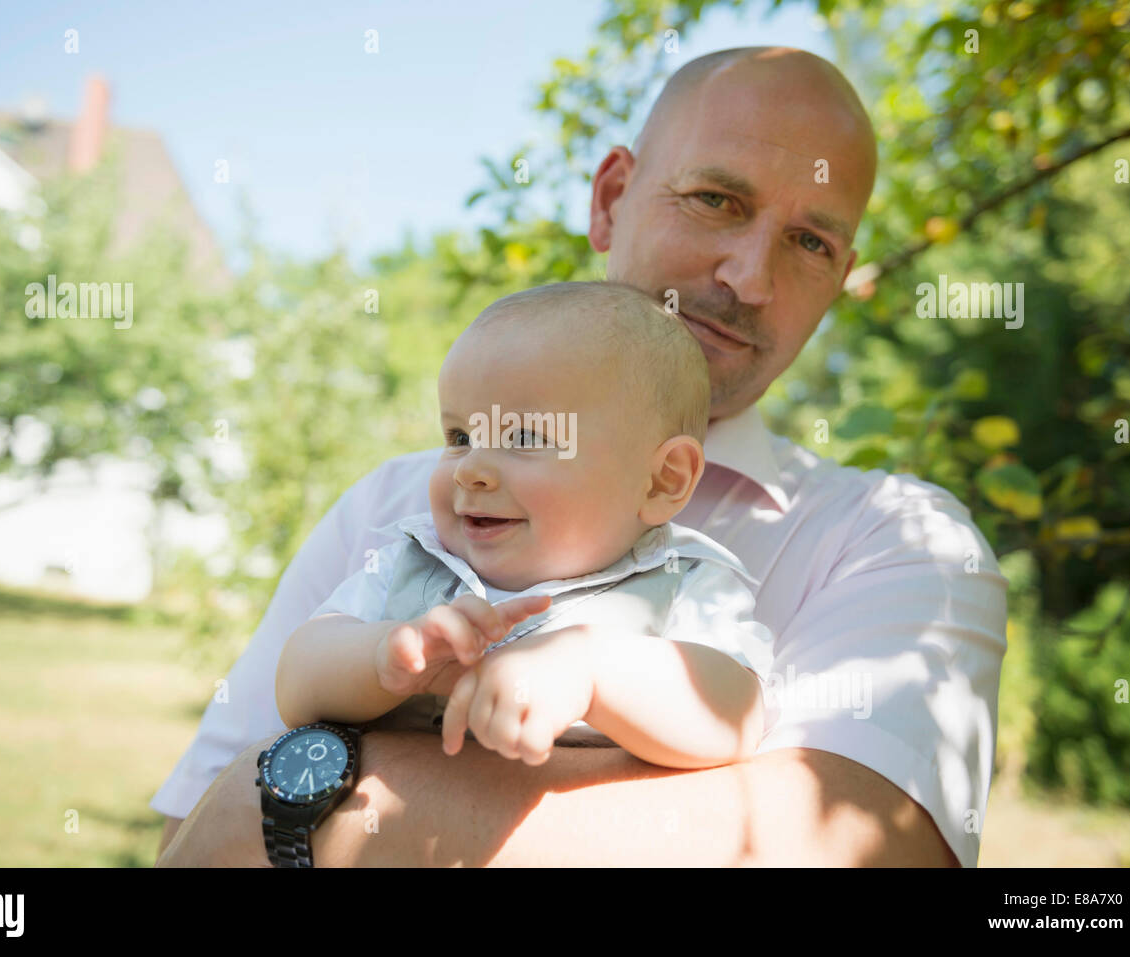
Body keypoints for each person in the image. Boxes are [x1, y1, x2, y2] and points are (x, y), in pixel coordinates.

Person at [154, 46, 1008, 867]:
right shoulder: (400, 511)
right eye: (717, 199)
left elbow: (850, 849)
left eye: (812, 242)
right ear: (611, 198)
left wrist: (302, 804)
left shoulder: (896, 541)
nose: (750, 277)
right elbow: (193, 840)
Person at [275, 282, 775, 769]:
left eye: (526, 436)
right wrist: (384, 657)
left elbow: (735, 715)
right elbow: (297, 684)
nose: (470, 467)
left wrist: (592, 671)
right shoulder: (413, 565)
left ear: (661, 481)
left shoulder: (684, 584)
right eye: (460, 434)